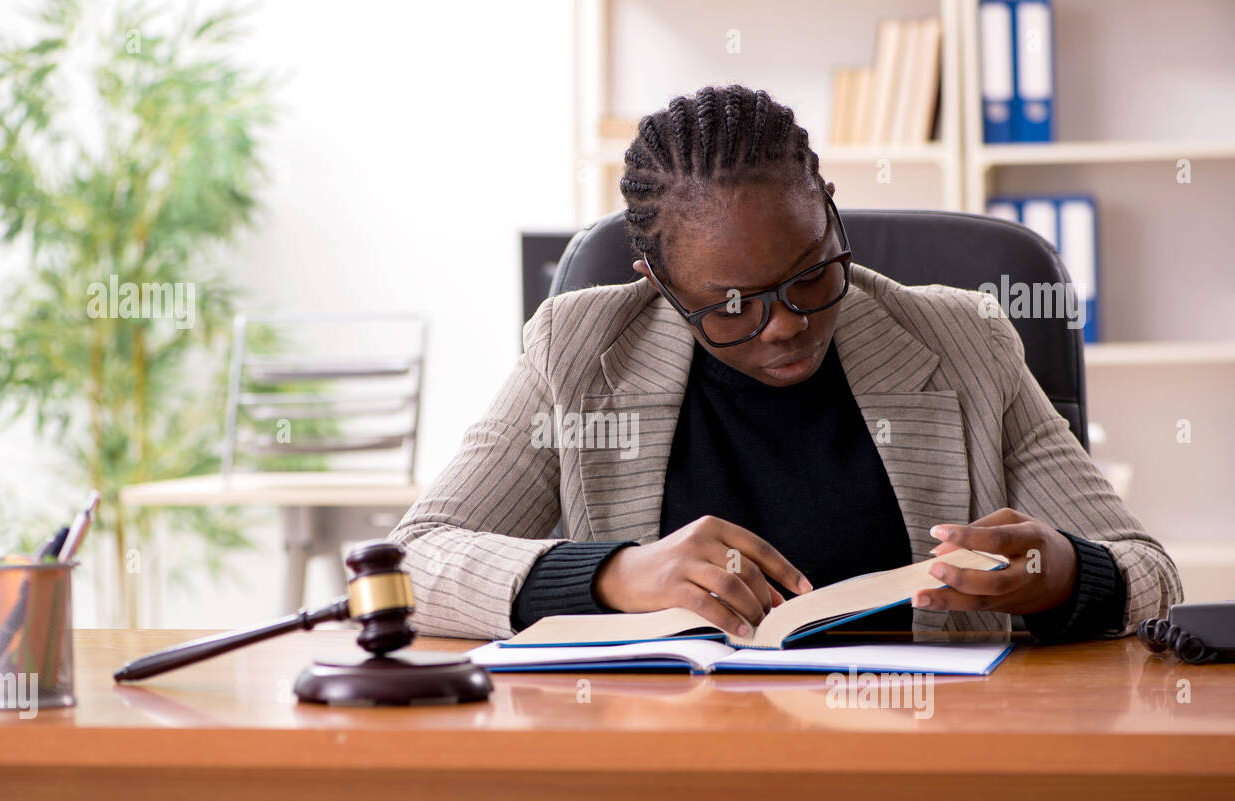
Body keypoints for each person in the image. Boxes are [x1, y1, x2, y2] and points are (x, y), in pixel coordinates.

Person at [389, 84, 1181, 643]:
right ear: (658, 284)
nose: (785, 326)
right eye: (732, 306)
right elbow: (410, 564)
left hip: (927, 754)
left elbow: (1153, 574)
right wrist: (615, 575)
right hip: (661, 761)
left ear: (830, 209)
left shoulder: (965, 339)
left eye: (811, 274)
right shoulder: (577, 347)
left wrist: (1065, 572)